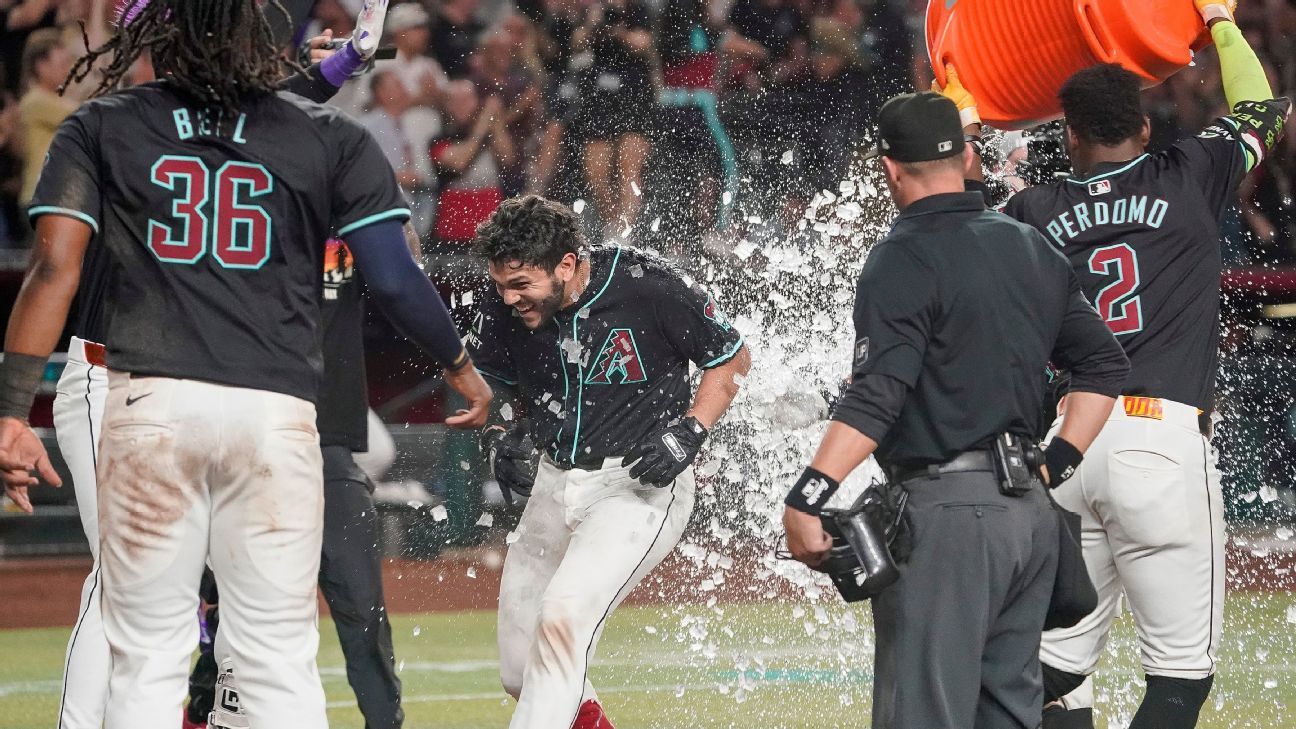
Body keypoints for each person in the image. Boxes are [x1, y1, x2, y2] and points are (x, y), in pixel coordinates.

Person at [0, 3, 491, 729]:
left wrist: (12, 410)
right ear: (261, 39)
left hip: (149, 400)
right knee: (276, 658)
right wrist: (459, 364)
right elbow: (394, 278)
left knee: (147, 656)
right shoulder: (326, 134)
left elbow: (52, 269)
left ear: (160, 36)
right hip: (275, 411)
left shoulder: (103, 124)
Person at [949, 1, 1292, 726]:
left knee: (1051, 673)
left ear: (1069, 136)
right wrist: (1219, 19)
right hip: (1162, 442)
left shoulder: (1033, 211)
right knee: (1178, 680)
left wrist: (964, 120)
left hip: (1070, 445)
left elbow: (960, 217)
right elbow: (1262, 110)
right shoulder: (1190, 171)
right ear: (1143, 127)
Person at [781, 92, 1129, 729]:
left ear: (889, 169)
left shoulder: (902, 255)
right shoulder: (1030, 246)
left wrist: (808, 494)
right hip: (1029, 520)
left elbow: (879, 392)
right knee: (1008, 714)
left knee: (924, 714)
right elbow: (1104, 365)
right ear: (968, 157)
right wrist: (1054, 463)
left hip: (949, 519)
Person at [468, 195, 750, 728]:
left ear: (566, 264)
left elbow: (731, 356)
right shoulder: (503, 302)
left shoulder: (648, 284)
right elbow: (491, 380)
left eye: (521, 284)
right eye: (501, 284)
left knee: (561, 624)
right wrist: (497, 433)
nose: (509, 298)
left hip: (637, 486)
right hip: (554, 479)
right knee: (520, 668)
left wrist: (691, 430)